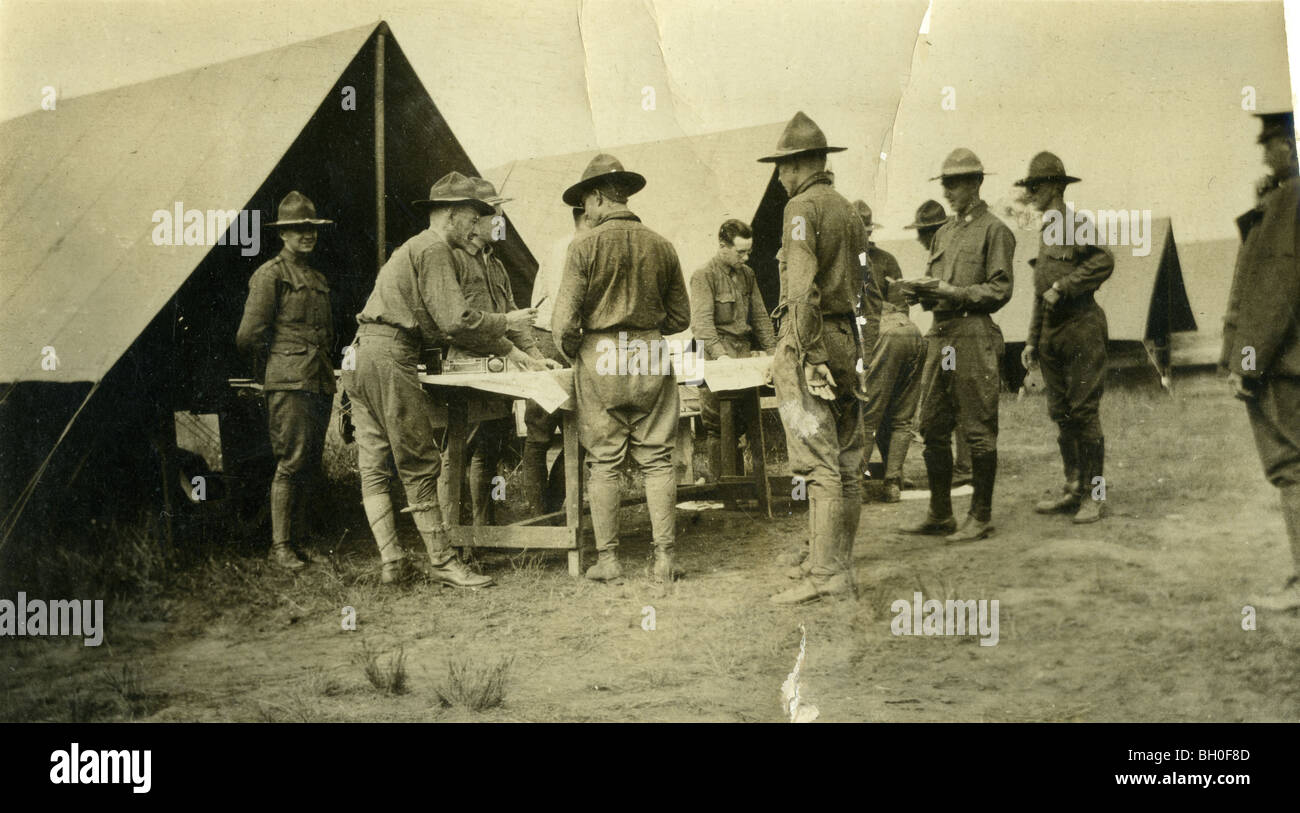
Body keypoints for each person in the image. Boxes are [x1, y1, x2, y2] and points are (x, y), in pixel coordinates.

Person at [350, 171, 533, 587]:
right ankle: (441, 559)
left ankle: (392, 560)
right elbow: (455, 320)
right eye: (473, 216)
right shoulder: (434, 250)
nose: (476, 225)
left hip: (361, 352)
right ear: (451, 214)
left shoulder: (414, 247)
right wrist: (507, 323)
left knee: (374, 463)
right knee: (418, 460)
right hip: (390, 354)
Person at [553, 154, 691, 583]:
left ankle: (609, 561)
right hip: (650, 353)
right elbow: (681, 317)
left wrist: (582, 346)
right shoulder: (661, 244)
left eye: (585, 203)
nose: (586, 212)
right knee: (657, 459)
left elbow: (562, 325)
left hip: (601, 358)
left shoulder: (583, 246)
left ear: (596, 199)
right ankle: (665, 558)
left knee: (604, 461)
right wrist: (645, 329)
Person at [758, 112, 872, 604]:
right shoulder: (847, 209)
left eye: (785, 166)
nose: (781, 176)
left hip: (812, 338)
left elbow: (801, 291)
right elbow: (864, 287)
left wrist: (807, 354)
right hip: (848, 338)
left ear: (803, 164)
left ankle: (824, 573)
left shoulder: (800, 209)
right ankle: (837, 565)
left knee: (818, 462)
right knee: (847, 460)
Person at [900, 149, 1014, 543]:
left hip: (972, 334)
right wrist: (921, 293)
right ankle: (940, 513)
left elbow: (1001, 289)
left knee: (978, 428)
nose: (948, 192)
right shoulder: (944, 233)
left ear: (976, 183)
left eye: (955, 183)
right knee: (932, 425)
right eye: (945, 183)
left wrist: (957, 293)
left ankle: (980, 516)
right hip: (941, 334)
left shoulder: (995, 230)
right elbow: (936, 284)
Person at [439, 178, 556, 529]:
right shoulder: (453, 259)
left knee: (490, 454)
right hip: (466, 372)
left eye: (501, 212)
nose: (500, 220)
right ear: (474, 218)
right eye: (494, 213)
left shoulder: (496, 265)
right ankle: (453, 536)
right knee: (458, 454)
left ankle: (484, 530)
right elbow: (455, 323)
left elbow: (515, 321)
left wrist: (536, 359)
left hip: (497, 372)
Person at [1223, 109, 1300, 611]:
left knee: (1291, 467)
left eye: (1271, 143)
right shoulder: (1281, 198)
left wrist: (1246, 361)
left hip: (1283, 365)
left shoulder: (1290, 199)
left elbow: (1274, 290)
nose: (1264, 151)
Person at [235, 191, 336, 571]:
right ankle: (280, 546)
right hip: (289, 380)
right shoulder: (270, 275)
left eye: (311, 228)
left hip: (318, 379)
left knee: (310, 461)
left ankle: (301, 540)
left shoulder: (317, 277)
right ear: (283, 234)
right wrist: (277, 362)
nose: (306, 235)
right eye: (297, 229)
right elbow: (248, 335)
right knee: (291, 461)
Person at [1017, 152, 1115, 524]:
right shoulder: (1045, 233)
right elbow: (1040, 293)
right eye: (1030, 187)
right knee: (1061, 414)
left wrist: (1065, 284)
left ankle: (1096, 495)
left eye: (1037, 186)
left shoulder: (1076, 223)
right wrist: (1030, 340)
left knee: (1085, 412)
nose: (1032, 193)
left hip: (1082, 329)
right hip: (1052, 336)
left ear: (1056, 187)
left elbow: (1104, 260)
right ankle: (1074, 487)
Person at [689, 218, 776, 482]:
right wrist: (722, 357)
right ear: (722, 246)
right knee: (718, 428)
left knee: (750, 423)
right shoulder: (704, 276)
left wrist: (773, 353)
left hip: (744, 358)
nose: (746, 258)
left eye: (748, 251)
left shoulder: (747, 275)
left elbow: (760, 317)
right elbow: (702, 325)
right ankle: (723, 489)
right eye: (741, 252)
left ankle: (754, 488)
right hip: (717, 361)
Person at [521, 206, 587, 515]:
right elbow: (566, 306)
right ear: (586, 217)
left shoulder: (588, 246)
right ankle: (537, 514)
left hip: (574, 338)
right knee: (540, 429)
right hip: (548, 337)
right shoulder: (566, 248)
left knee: (583, 429)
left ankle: (554, 504)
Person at [907, 200, 972, 488]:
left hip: (957, 332)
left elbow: (959, 293)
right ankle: (954, 465)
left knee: (960, 396)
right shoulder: (936, 252)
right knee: (944, 396)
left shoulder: (953, 251)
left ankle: (966, 466)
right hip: (941, 329)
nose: (919, 239)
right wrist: (917, 295)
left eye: (924, 232)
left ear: (936, 231)